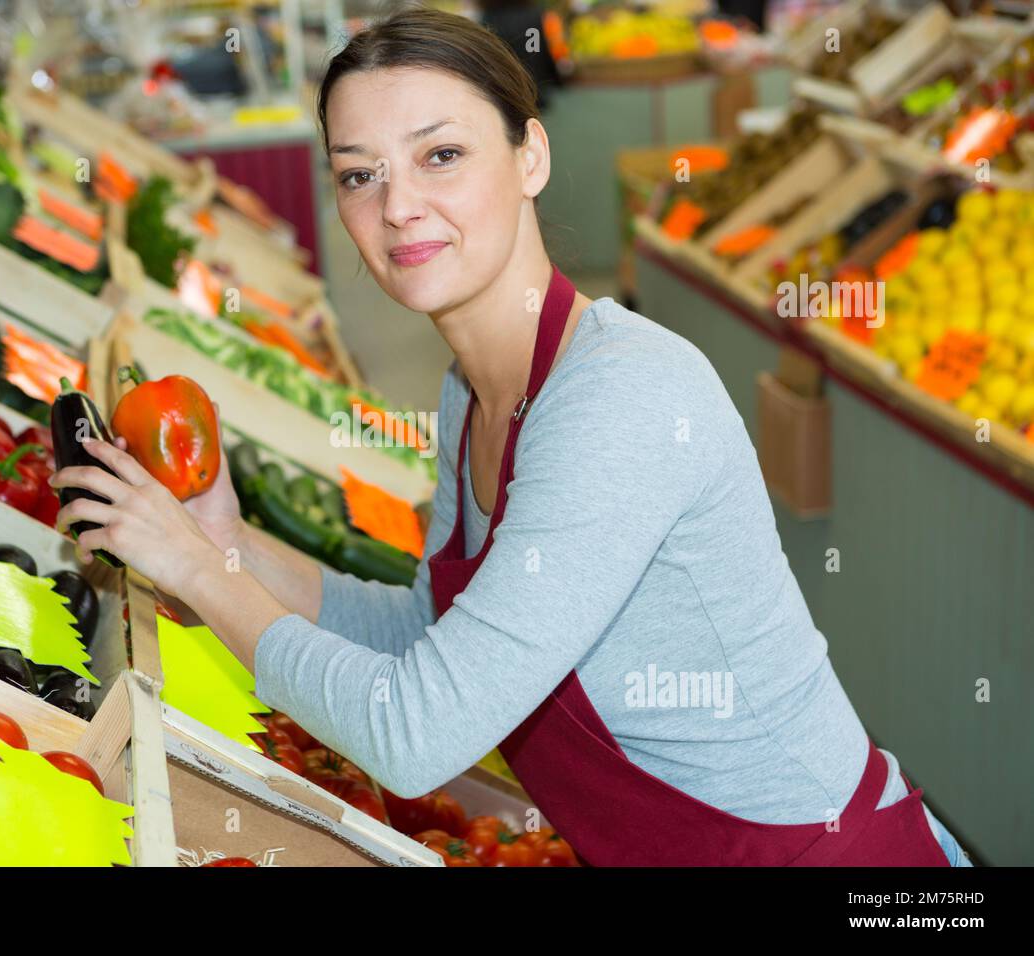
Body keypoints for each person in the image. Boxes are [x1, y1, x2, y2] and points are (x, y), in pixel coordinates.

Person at [52, 8, 969, 866]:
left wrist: (200, 576)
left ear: (530, 154)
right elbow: (427, 634)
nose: (398, 207)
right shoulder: (473, 394)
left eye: (441, 154)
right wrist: (230, 542)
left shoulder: (621, 395)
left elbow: (415, 734)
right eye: (359, 174)